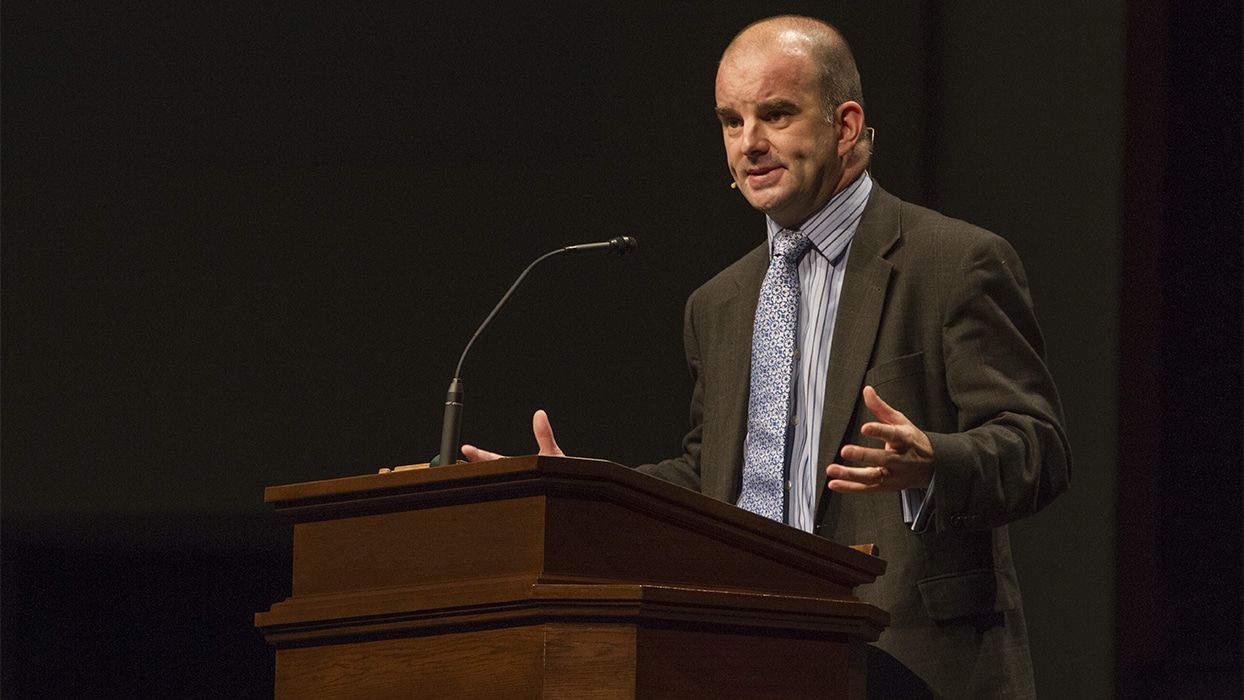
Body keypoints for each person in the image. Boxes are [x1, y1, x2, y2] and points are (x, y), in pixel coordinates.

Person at [464, 14, 1070, 699]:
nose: (748, 144)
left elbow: (1037, 447)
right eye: (730, 121)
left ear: (845, 126)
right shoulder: (718, 303)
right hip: (751, 661)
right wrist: (592, 491)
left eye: (776, 114)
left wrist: (932, 461)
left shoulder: (954, 264)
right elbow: (712, 475)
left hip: (912, 662)